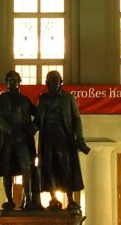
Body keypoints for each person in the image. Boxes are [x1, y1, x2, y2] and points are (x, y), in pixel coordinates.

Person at [35, 71, 90, 211]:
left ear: (61, 82)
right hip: (47, 138)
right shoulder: (43, 98)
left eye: (55, 81)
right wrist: (29, 130)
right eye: (50, 82)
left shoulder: (68, 98)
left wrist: (80, 137)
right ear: (46, 84)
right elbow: (38, 119)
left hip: (64, 138)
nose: (52, 84)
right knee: (50, 167)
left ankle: (70, 199)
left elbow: (76, 118)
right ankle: (53, 199)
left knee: (67, 167)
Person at [0, 70, 38, 210]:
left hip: (23, 138)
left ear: (19, 82)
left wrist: (34, 126)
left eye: (15, 79)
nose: (12, 82)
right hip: (6, 139)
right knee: (7, 171)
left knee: (27, 168)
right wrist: (11, 130)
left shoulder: (25, 100)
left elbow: (38, 114)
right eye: (10, 79)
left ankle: (28, 199)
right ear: (6, 82)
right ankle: (9, 200)